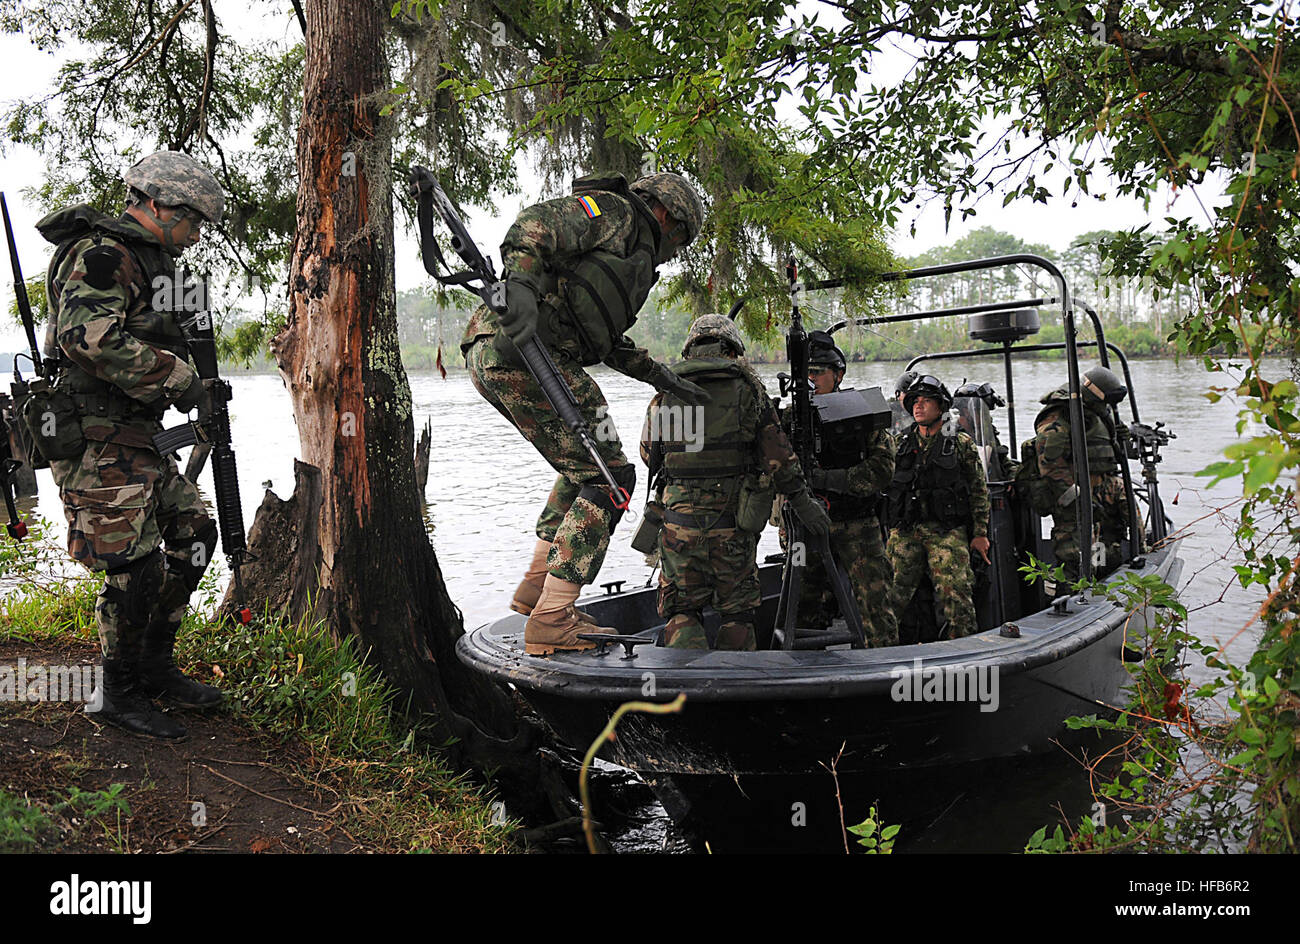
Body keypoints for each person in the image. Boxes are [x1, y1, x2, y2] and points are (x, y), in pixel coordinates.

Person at [461, 171, 714, 656]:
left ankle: (538, 591)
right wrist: (519, 286)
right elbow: (537, 224)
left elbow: (603, 340)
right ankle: (554, 617)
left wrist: (662, 377)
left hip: (502, 353)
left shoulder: (629, 259)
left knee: (582, 469)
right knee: (612, 478)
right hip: (525, 348)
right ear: (665, 212)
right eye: (681, 235)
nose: (676, 247)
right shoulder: (616, 214)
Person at [36, 150, 226, 739]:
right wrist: (179, 379)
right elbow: (87, 338)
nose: (196, 232)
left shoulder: (155, 263)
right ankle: (114, 693)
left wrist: (203, 386)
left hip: (138, 437)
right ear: (157, 204)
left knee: (195, 533)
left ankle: (152, 664)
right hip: (95, 440)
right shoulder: (104, 254)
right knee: (131, 567)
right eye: (192, 218)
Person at [640, 314, 830, 650]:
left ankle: (687, 692)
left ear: (690, 348)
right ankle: (734, 692)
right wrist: (803, 502)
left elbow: (648, 455)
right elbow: (779, 459)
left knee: (682, 611)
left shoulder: (664, 393)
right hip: (732, 527)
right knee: (737, 615)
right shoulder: (748, 390)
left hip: (678, 529)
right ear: (731, 348)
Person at [791, 331, 897, 647]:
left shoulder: (862, 412)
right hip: (808, 526)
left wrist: (827, 479)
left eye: (818, 372)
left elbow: (881, 471)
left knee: (875, 604)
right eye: (806, 373)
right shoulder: (793, 417)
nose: (811, 379)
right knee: (803, 605)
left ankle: (883, 668)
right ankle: (803, 669)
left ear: (838, 375)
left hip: (858, 524)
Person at [884, 375, 991, 639]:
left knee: (957, 593)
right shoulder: (901, 443)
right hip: (907, 531)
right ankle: (879, 654)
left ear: (941, 406)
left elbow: (979, 490)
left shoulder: (959, 443)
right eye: (915, 402)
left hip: (946, 531)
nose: (919, 406)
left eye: (926, 401)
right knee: (888, 597)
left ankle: (963, 653)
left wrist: (980, 533)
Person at [1031, 365, 1131, 583]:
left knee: (1102, 554)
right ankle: (1070, 599)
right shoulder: (1058, 419)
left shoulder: (1093, 413)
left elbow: (1101, 449)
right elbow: (1050, 468)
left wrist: (1119, 439)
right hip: (1071, 500)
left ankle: (1099, 585)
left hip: (1097, 494)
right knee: (1075, 562)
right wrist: (1078, 497)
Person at [889, 369, 917, 438]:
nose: (911, 398)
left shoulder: (923, 410)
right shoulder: (891, 410)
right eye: (907, 394)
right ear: (898, 394)